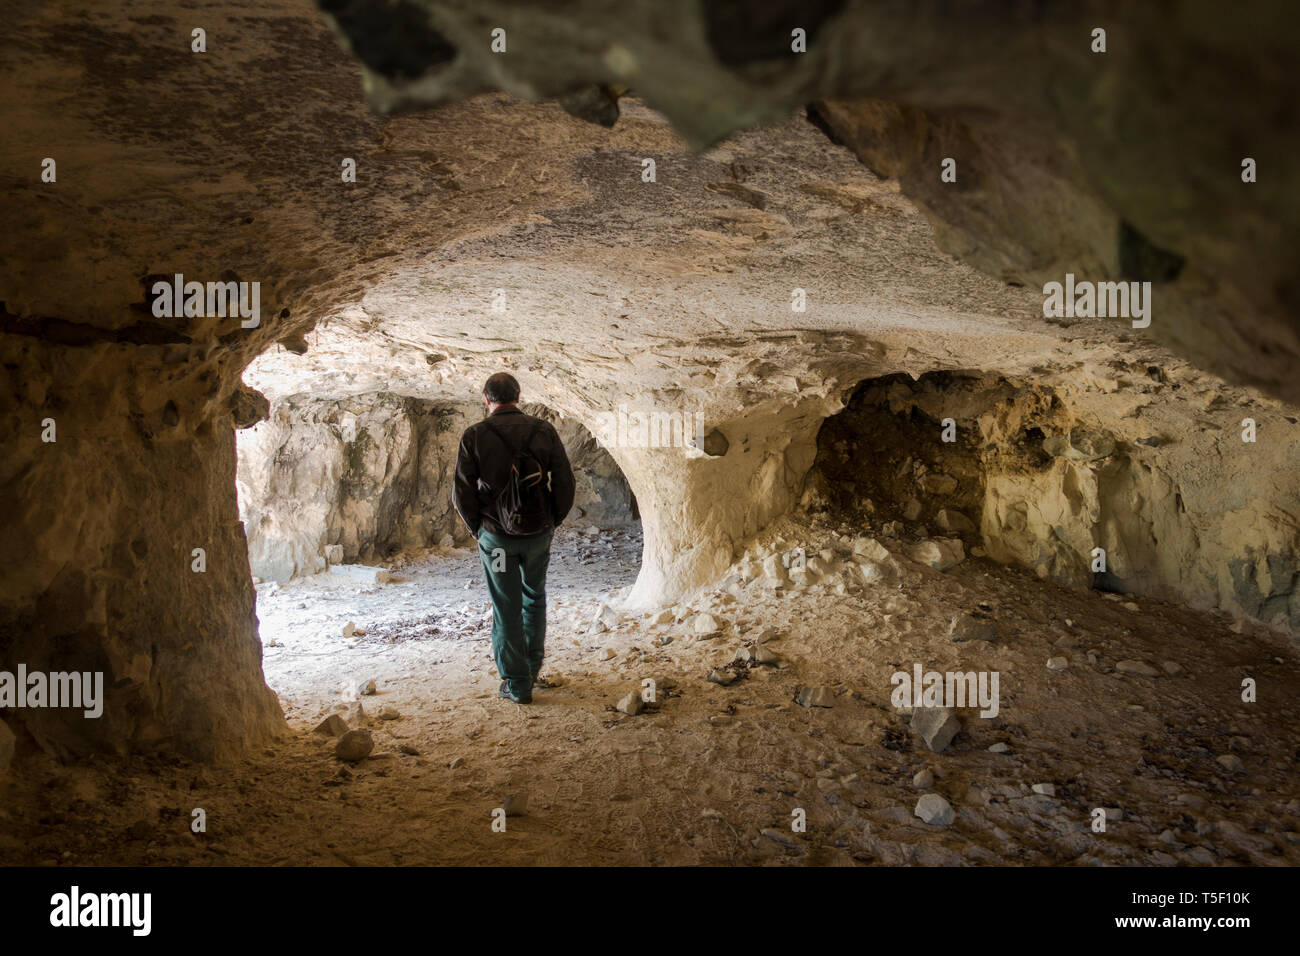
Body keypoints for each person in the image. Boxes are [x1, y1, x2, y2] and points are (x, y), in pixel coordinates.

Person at [453, 373, 575, 704]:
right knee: (533, 599)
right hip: (538, 535)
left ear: (485, 398)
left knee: (505, 606)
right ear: (518, 396)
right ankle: (531, 671)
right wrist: (554, 521)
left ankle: (517, 683)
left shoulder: (475, 435)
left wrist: (477, 529)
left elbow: (462, 490)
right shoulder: (543, 431)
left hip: (497, 539)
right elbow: (564, 480)